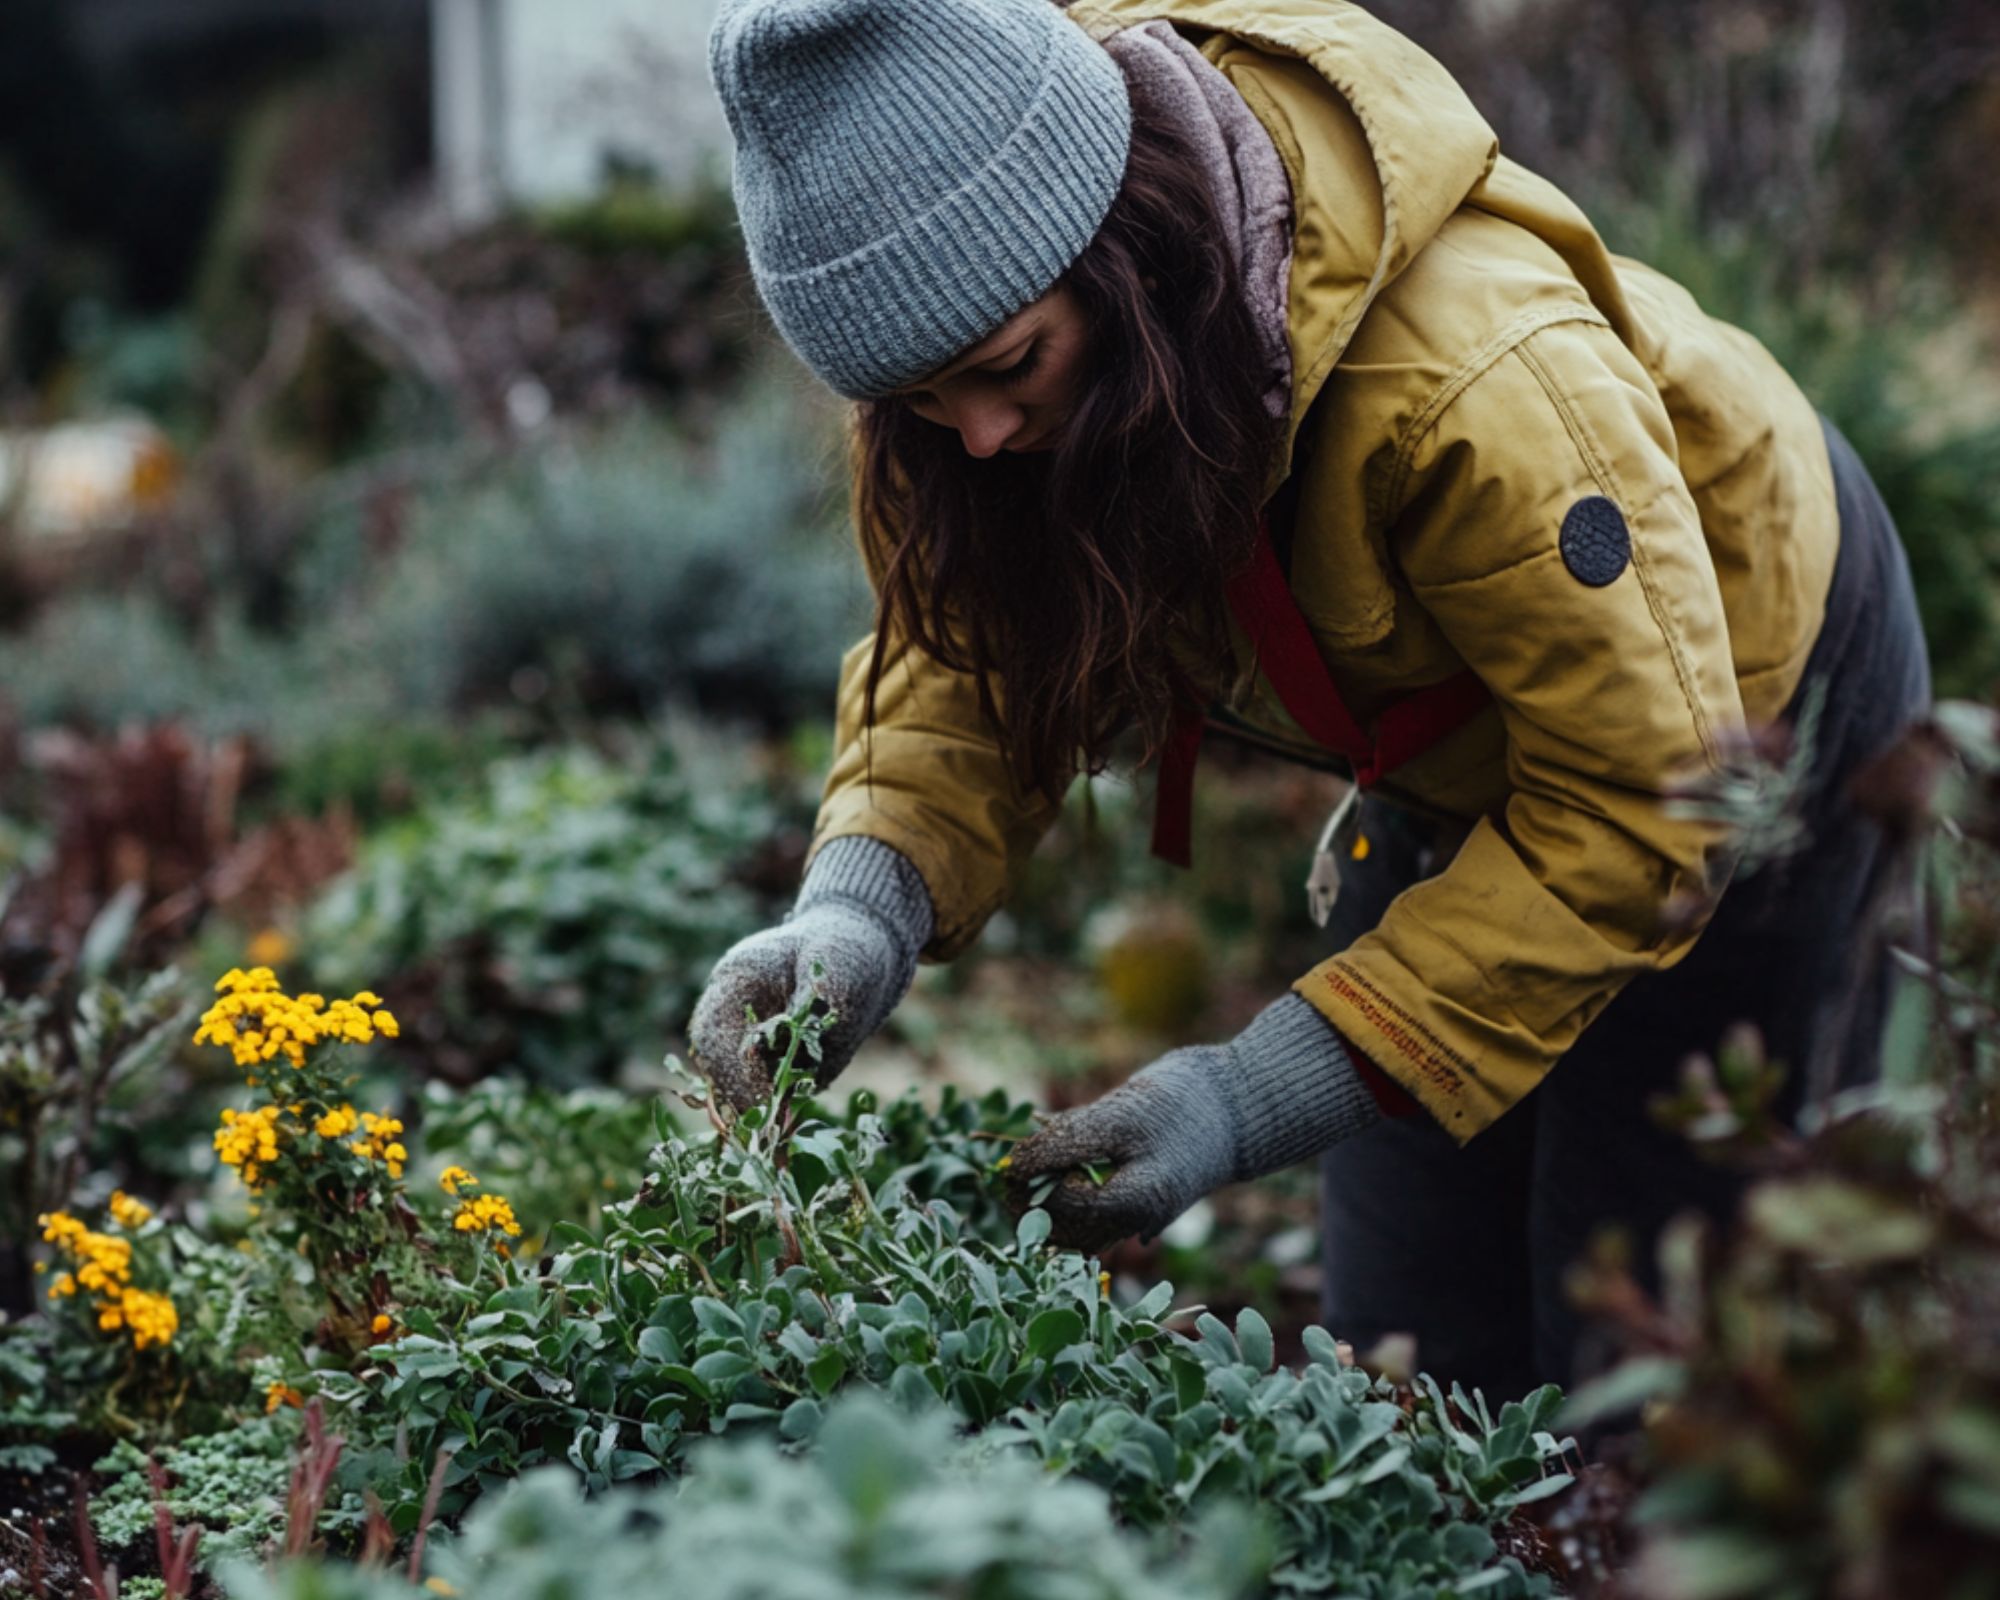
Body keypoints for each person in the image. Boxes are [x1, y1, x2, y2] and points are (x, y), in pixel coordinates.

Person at [692, 0, 1931, 1401]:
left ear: (1122, 253)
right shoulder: (1010, 376)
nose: (976, 436)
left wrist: (1248, 1092)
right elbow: (970, 655)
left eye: (1008, 368)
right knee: (1402, 1348)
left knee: (1640, 1327)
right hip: (1451, 739)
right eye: (921, 401)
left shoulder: (1471, 383)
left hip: (1739, 728)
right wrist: (858, 914)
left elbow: (1638, 802)